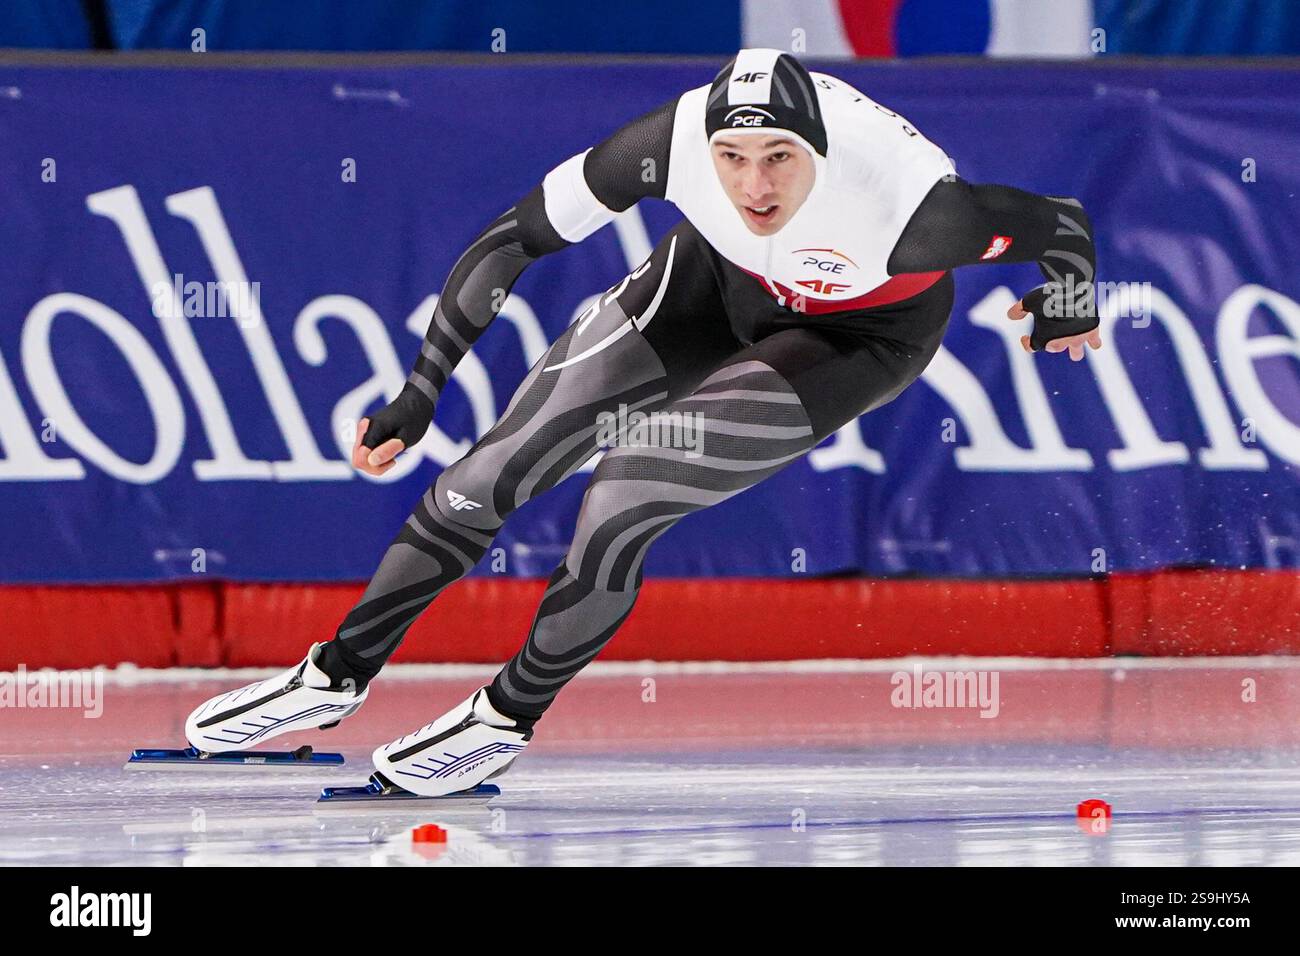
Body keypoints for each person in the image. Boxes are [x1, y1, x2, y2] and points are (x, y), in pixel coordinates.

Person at [184, 49, 1100, 796]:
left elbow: (1061, 224)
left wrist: (1068, 300)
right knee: (485, 475)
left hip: (857, 332)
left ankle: (505, 719)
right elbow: (512, 239)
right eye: (734, 159)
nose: (754, 182)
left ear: (818, 151)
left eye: (780, 156)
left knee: (626, 489)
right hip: (715, 282)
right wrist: (423, 387)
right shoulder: (663, 146)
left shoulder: (916, 212)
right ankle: (336, 673)